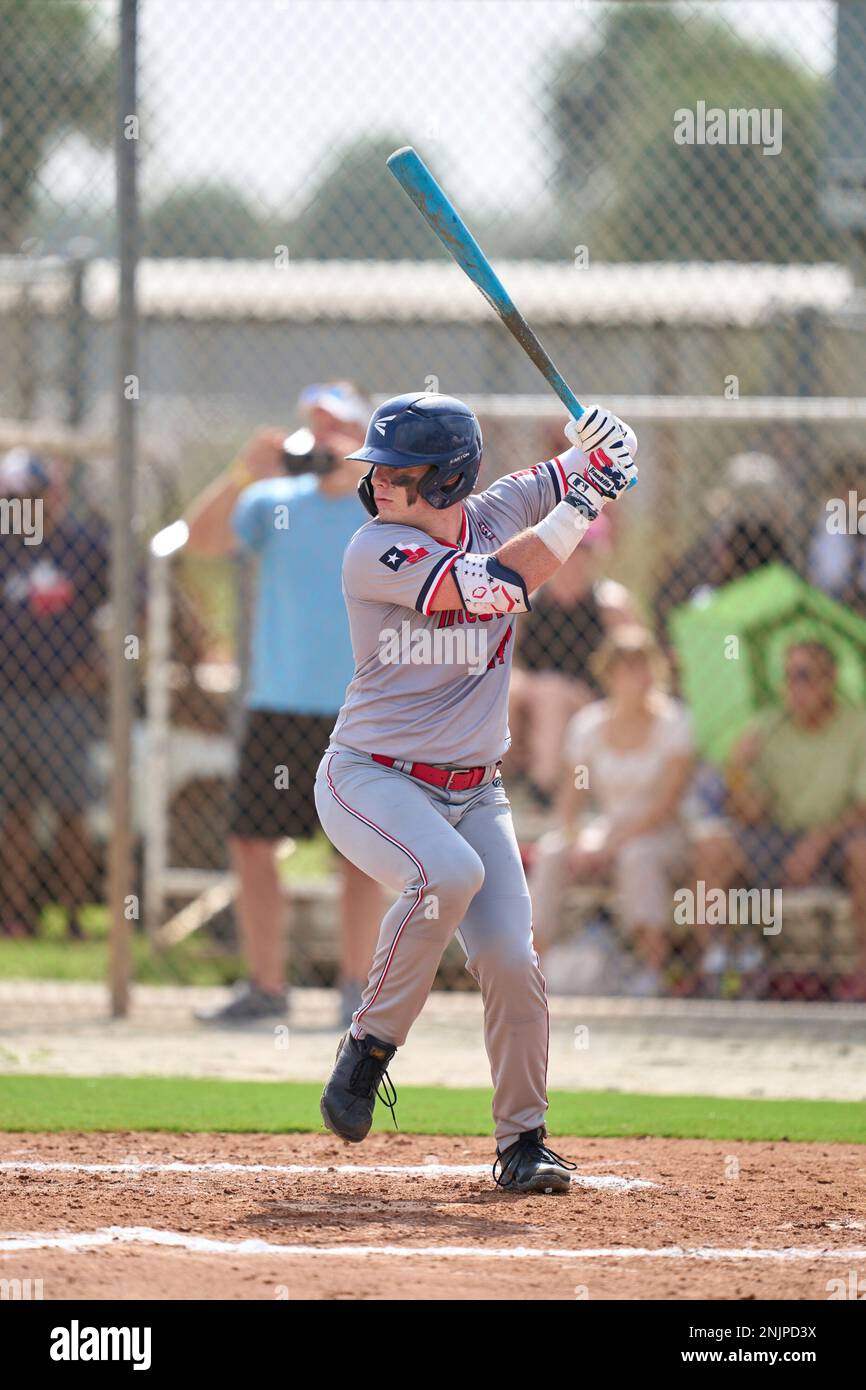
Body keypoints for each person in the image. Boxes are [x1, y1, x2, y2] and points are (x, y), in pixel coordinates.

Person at [315, 391, 638, 1193]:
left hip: (475, 792)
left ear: (450, 478)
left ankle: (522, 1140)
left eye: (401, 470)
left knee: (509, 956)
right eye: (379, 468)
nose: (381, 482)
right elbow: (495, 584)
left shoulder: (500, 507)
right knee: (448, 875)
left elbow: (582, 467)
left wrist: (611, 444)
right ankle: (369, 1049)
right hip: (370, 777)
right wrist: (591, 495)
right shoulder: (375, 549)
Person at [184, 383, 384, 1025]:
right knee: (251, 842)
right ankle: (267, 988)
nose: (321, 436)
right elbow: (198, 539)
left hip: (357, 712)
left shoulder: (381, 511)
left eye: (337, 426)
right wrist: (246, 468)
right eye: (314, 424)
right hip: (277, 706)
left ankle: (358, 993)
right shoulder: (272, 501)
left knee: (356, 853)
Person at [693, 640, 866, 999]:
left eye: (804, 676)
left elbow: (862, 807)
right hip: (780, 839)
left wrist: (817, 842)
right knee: (712, 846)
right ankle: (711, 965)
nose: (794, 688)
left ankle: (861, 970)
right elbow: (751, 814)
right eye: (788, 677)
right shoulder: (769, 728)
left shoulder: (858, 726)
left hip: (839, 838)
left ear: (830, 678)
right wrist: (737, 769)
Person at [528, 626, 694, 995]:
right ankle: (535, 966)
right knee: (553, 851)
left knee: (638, 856)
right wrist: (580, 840)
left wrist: (611, 843)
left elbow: (665, 807)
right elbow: (570, 806)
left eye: (646, 666)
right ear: (611, 675)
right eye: (630, 669)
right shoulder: (588, 726)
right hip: (606, 831)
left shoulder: (674, 723)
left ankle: (652, 971)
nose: (642, 677)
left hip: (661, 833)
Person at [0, 448, 108, 938]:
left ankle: (72, 917)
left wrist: (108, 662)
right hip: (8, 697)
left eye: (33, 496)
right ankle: (14, 915)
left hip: (65, 699)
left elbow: (135, 602)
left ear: (56, 496)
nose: (24, 506)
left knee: (71, 809)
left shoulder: (84, 547)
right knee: (13, 813)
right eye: (14, 497)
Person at [507, 512, 638, 805]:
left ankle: (544, 787)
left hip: (590, 699)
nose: (574, 560)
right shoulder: (530, 603)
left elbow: (637, 664)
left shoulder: (610, 605)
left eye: (583, 551)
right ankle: (494, 779)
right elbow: (509, 662)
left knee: (551, 693)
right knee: (515, 688)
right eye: (567, 550)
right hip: (536, 697)